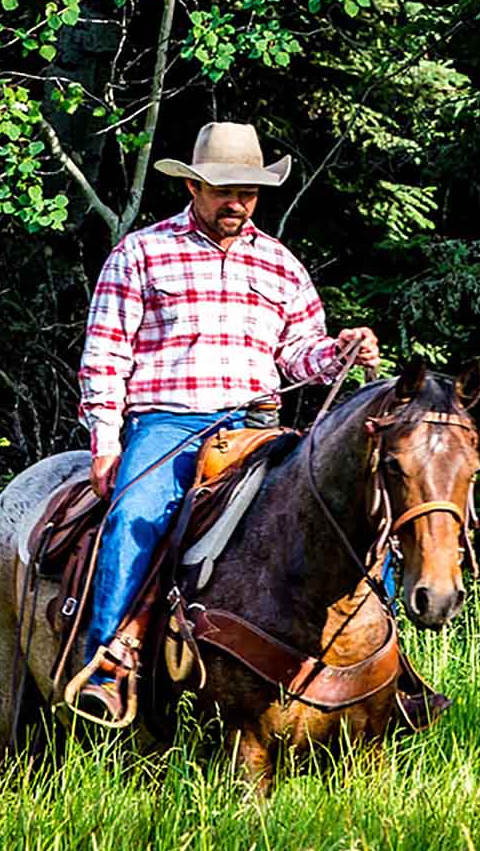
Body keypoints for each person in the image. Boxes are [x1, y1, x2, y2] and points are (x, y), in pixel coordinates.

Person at [74, 121, 380, 721]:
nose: (237, 203)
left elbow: (299, 352)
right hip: (168, 423)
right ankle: (110, 660)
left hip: (259, 426)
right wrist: (105, 442)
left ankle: (382, 667)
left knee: (355, 508)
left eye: (249, 192)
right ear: (193, 188)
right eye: (223, 190)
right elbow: (105, 355)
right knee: (137, 514)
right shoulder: (141, 253)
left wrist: (338, 351)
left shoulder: (281, 265)